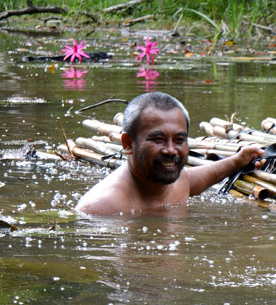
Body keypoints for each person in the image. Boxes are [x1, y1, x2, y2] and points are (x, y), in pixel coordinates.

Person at [76, 92, 263, 216]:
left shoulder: (178, 180)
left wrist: (237, 161)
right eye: (158, 139)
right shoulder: (100, 208)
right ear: (128, 143)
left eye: (180, 140)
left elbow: (191, 180)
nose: (171, 150)